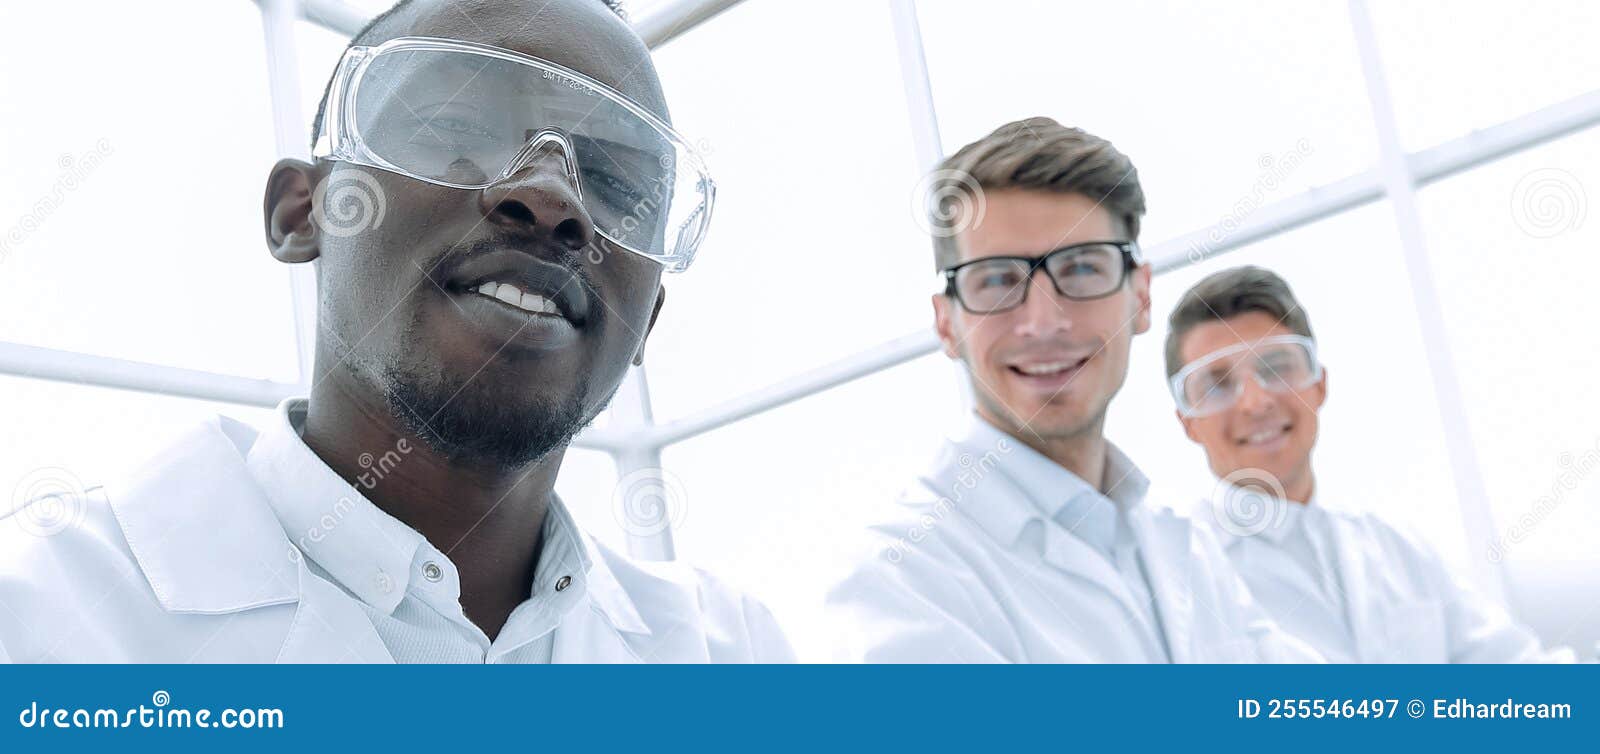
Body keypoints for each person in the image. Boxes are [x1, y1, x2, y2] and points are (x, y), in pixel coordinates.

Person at [0, 0, 792, 664]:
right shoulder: (45, 620)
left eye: (617, 182)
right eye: (455, 126)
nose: (552, 196)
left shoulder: (733, 657)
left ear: (647, 318)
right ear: (303, 213)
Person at [824, 118, 1320, 662]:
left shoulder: (1186, 550)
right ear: (947, 323)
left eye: (1082, 267)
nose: (1043, 321)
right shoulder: (904, 579)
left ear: (1141, 296)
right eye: (996, 279)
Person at [1165, 265, 1572, 662]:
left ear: (1319, 384)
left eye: (1276, 368)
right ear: (1188, 423)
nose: (1256, 401)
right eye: (1217, 384)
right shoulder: (1180, 579)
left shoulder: (1396, 547)